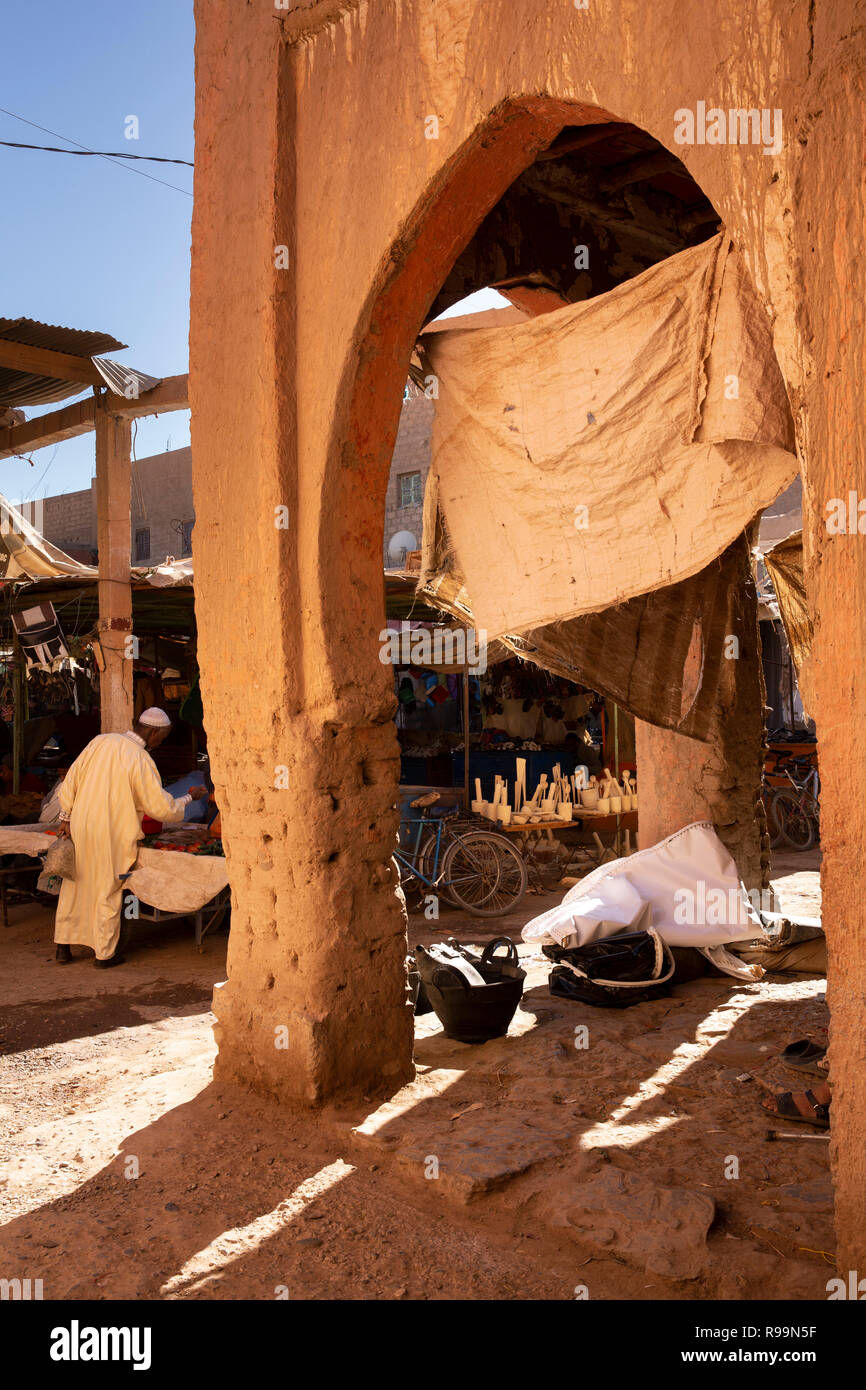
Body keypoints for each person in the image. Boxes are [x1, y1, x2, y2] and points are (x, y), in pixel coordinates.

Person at [53, 708, 208, 968]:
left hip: (82, 825)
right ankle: (104, 954)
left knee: (75, 883)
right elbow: (161, 809)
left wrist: (66, 818)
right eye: (162, 737)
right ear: (154, 732)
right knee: (108, 888)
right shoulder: (141, 759)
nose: (161, 743)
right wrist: (191, 797)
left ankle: (63, 947)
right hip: (112, 832)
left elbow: (71, 781)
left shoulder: (100, 741)